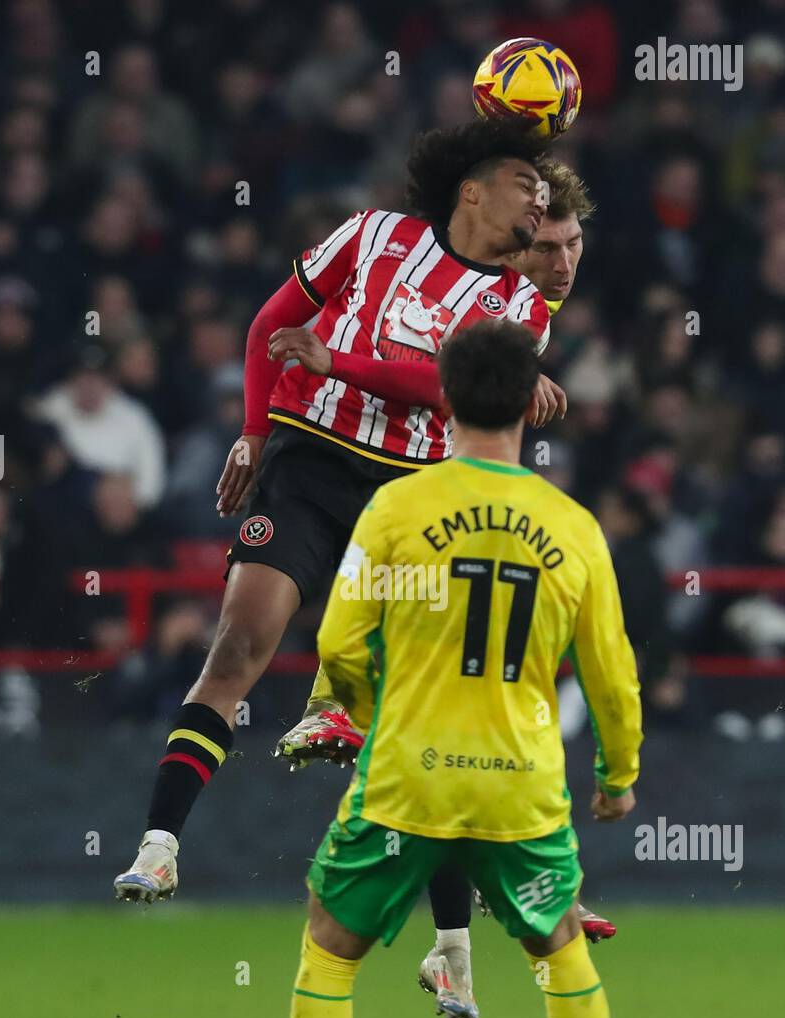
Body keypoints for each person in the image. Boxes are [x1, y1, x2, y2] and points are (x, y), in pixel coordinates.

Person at [238, 319, 655, 1018]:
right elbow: (613, 671)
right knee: (561, 950)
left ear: (446, 399)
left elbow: (342, 640)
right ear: (529, 406)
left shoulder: (398, 509)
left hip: (407, 780)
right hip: (522, 787)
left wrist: (355, 714)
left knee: (329, 945)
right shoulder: (572, 527)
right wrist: (617, 777)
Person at [113, 118, 565, 902]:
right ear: (473, 190)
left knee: (428, 706)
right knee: (240, 644)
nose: (539, 200)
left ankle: (449, 937)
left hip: (413, 493)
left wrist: (339, 361)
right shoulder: (373, 234)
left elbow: (448, 389)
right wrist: (254, 435)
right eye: (526, 183)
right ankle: (158, 845)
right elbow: (267, 326)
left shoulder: (521, 303)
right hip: (311, 462)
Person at [279, 158, 613, 1018]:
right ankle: (467, 942)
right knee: (442, 734)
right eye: (549, 242)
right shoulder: (475, 283)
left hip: (474, 523)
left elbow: (463, 365)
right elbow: (439, 371)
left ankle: (462, 944)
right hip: (434, 513)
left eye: (575, 244)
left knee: (453, 735)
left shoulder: (520, 308)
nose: (564, 260)